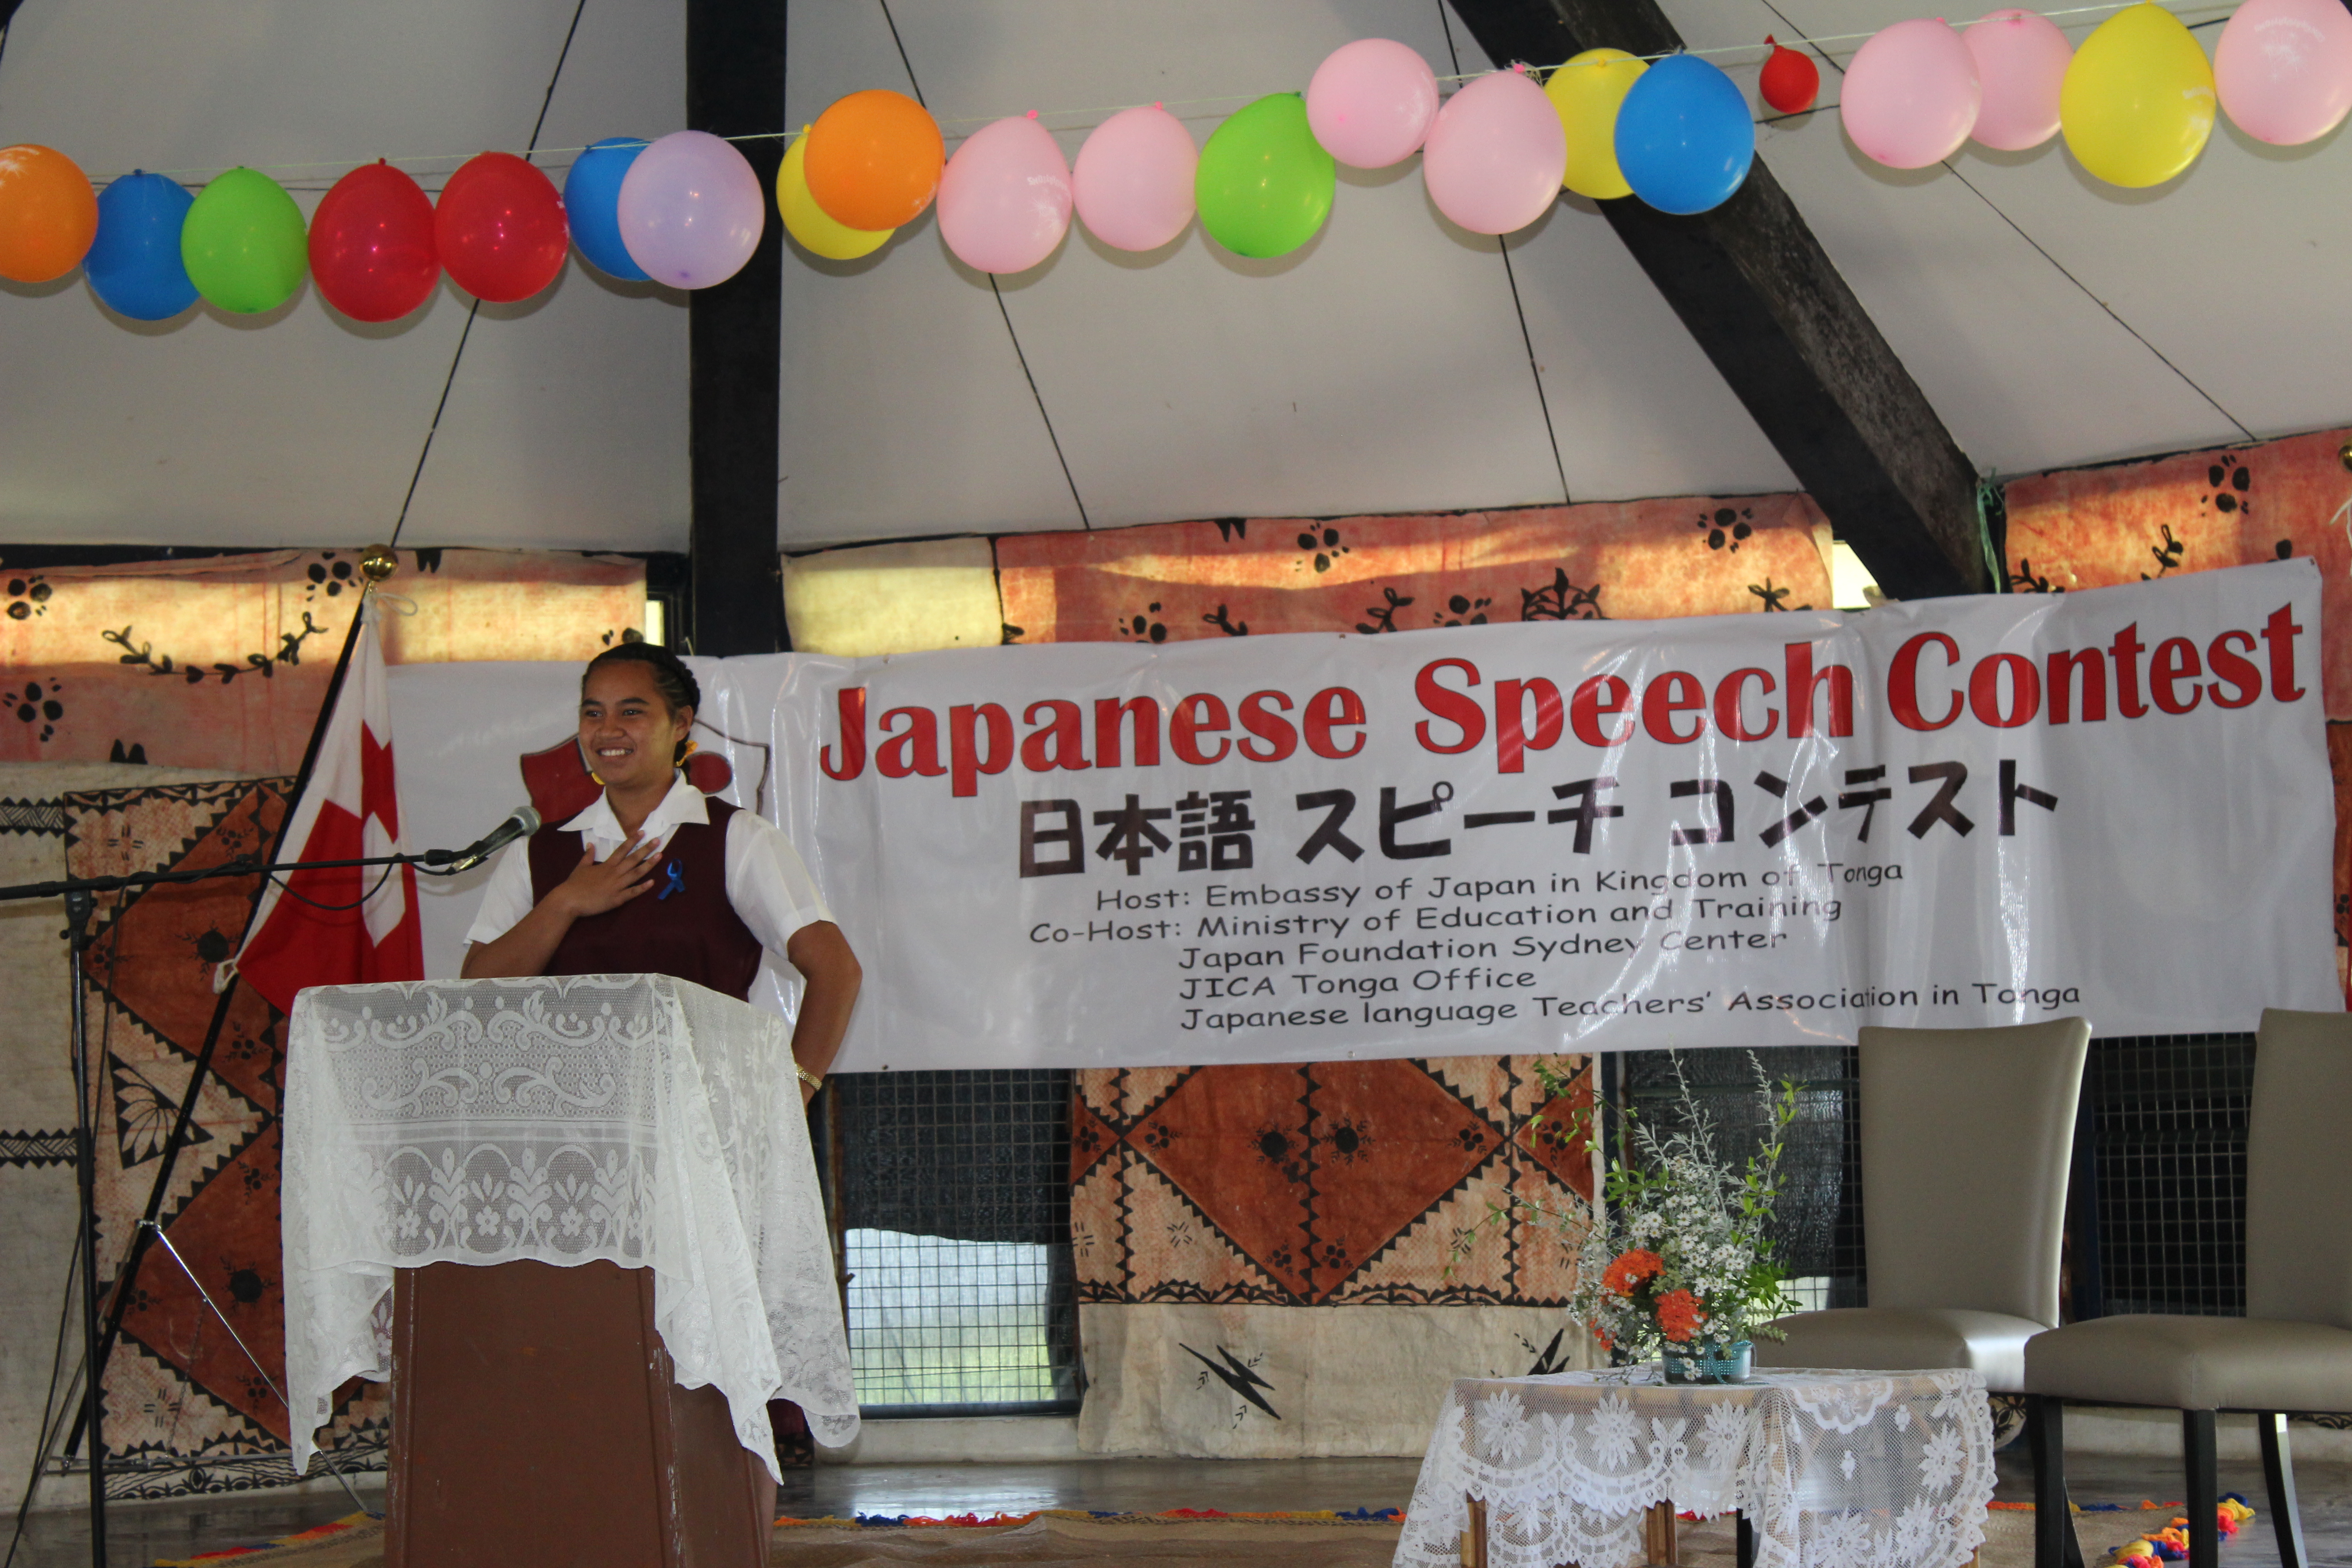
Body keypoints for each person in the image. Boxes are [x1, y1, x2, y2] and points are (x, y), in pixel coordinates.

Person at [460, 642, 860, 1101]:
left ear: (681, 723)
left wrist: (792, 1096)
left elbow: (837, 970)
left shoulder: (735, 837)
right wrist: (564, 903)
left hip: (699, 1120)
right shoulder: (538, 852)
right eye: (593, 714)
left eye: (631, 712)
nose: (607, 730)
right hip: (569, 1127)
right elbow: (476, 993)